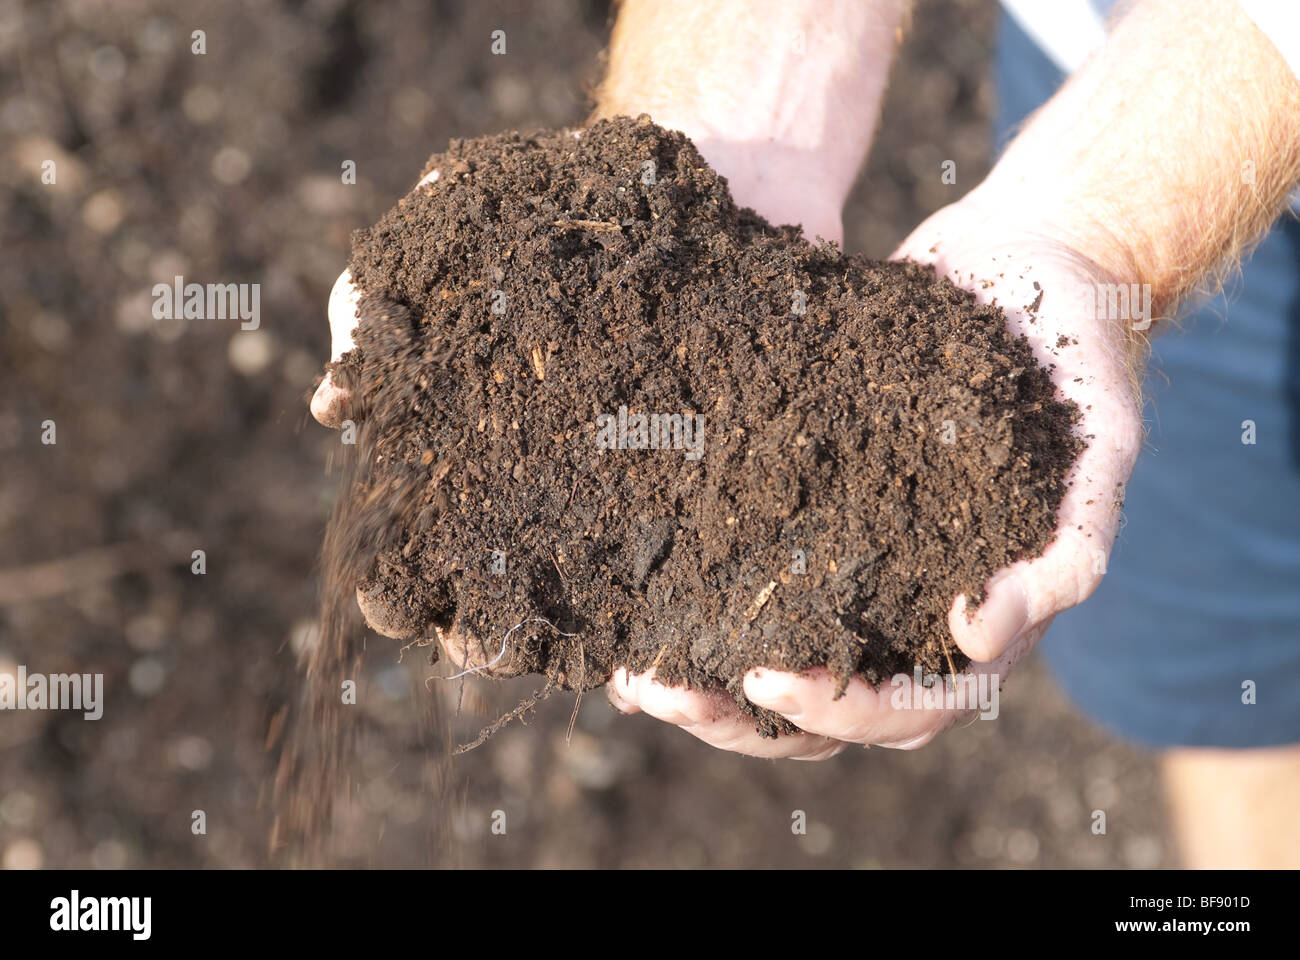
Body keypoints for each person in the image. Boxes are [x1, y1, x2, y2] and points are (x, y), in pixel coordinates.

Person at [311, 0, 1300, 867]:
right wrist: (701, 129)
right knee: (1229, 688)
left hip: (1231, 90)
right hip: (1138, 58)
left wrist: (1104, 236)